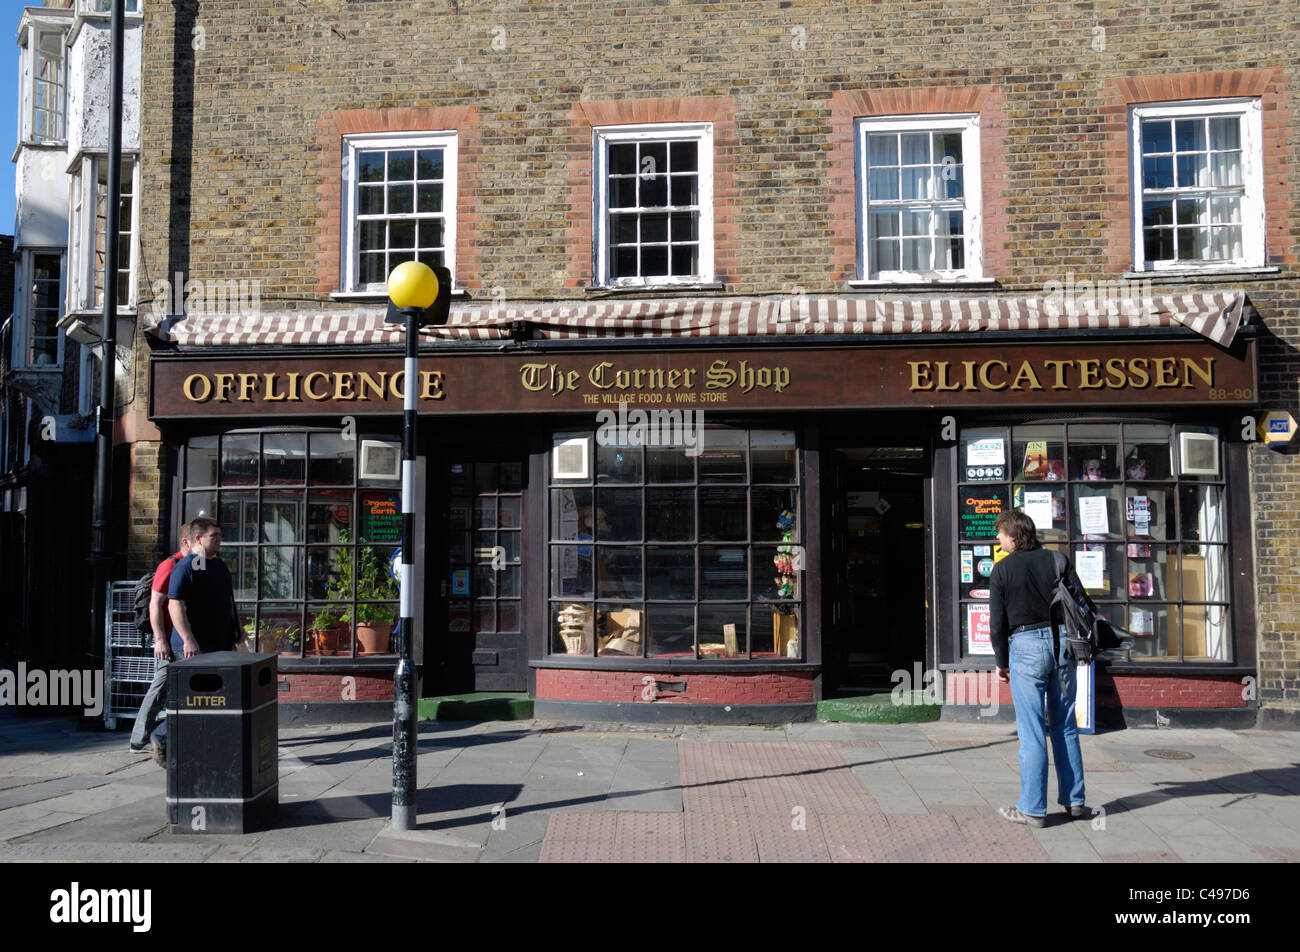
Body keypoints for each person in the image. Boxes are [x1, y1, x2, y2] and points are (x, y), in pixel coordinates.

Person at [989, 509, 1092, 827]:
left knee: (1032, 733)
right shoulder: (1056, 560)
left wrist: (1001, 661)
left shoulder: (1002, 570)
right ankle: (1075, 802)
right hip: (1062, 644)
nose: (998, 538)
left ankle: (1032, 809)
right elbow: (1084, 603)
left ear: (1014, 536)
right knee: (1065, 727)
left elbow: (996, 624)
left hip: (1026, 647)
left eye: (1001, 533)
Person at [128, 523, 192, 763]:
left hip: (179, 641)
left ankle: (149, 736)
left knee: (166, 688)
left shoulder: (192, 565)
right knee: (160, 688)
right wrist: (160, 639)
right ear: (186, 542)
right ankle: (139, 739)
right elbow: (155, 604)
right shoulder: (170, 565)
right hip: (168, 641)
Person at [168, 516, 240, 660]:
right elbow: (174, 605)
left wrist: (237, 628)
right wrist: (187, 640)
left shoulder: (220, 566)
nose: (219, 539)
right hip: (193, 649)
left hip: (221, 646)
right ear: (198, 539)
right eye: (214, 536)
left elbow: (227, 601)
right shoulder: (185, 567)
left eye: (220, 535)